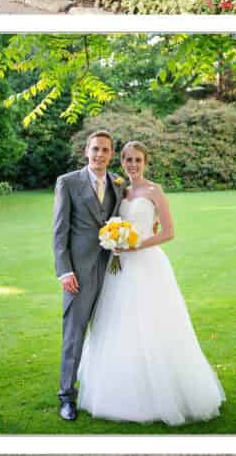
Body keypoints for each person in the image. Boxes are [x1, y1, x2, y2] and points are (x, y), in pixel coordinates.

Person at [75, 141, 225, 425]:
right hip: (118, 267)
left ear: (146, 162)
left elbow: (168, 232)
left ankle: (164, 394)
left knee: (154, 323)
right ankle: (119, 393)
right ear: (122, 162)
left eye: (138, 160)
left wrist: (137, 244)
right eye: (128, 160)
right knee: (117, 323)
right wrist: (114, 240)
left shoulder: (155, 192)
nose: (133, 165)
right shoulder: (120, 190)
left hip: (147, 264)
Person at [53, 130, 125, 421]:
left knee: (111, 331)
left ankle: (107, 391)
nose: (100, 155)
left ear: (111, 153)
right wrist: (64, 270)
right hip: (79, 272)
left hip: (112, 270)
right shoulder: (68, 182)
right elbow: (59, 232)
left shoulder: (118, 184)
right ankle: (66, 397)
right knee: (74, 334)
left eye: (105, 150)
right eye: (95, 149)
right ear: (86, 151)